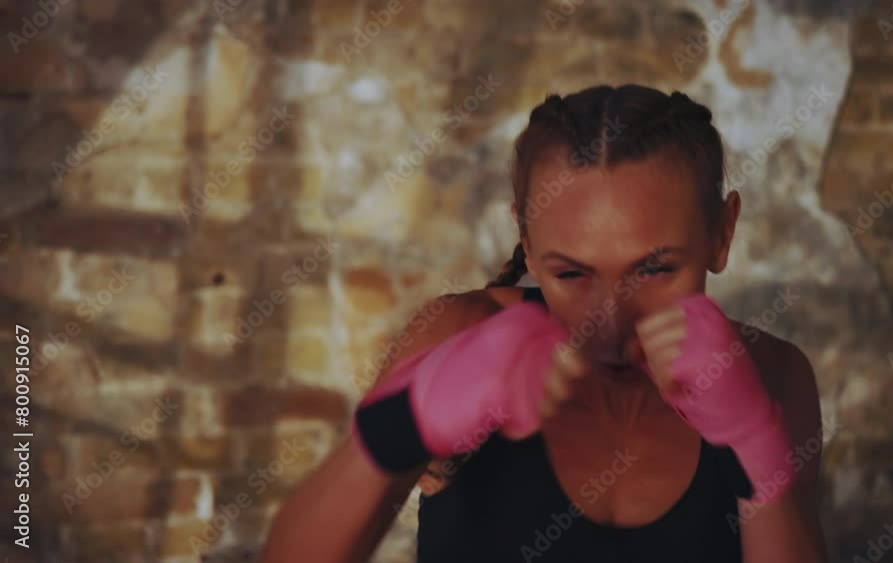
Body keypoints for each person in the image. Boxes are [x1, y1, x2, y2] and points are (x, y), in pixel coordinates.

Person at [259, 84, 827, 563]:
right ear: (527, 245)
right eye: (573, 273)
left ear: (723, 233)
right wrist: (399, 424)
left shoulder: (772, 374)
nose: (610, 321)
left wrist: (759, 457)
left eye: (655, 268)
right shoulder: (460, 332)